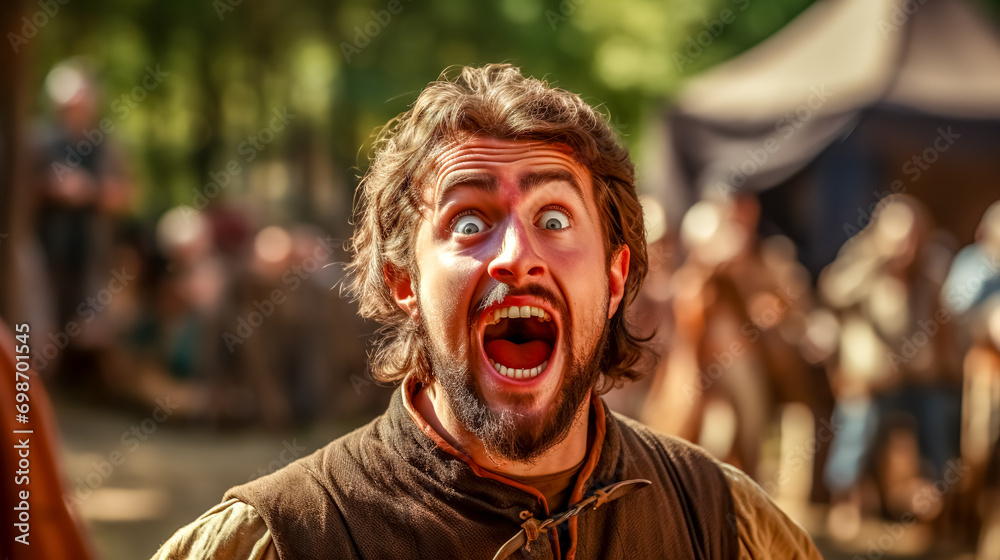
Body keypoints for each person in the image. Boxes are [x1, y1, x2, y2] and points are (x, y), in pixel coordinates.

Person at [152, 64, 820, 560]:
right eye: (469, 221)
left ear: (616, 278)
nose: (515, 256)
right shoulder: (283, 538)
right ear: (403, 281)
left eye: (554, 218)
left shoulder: (720, 521)